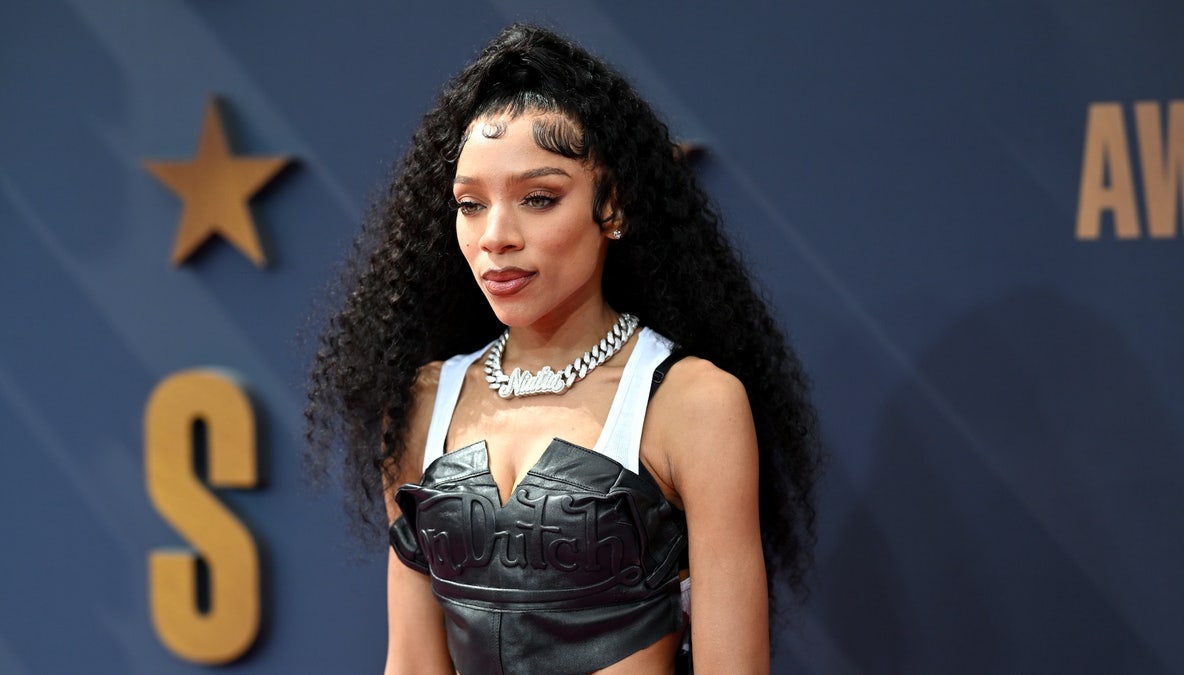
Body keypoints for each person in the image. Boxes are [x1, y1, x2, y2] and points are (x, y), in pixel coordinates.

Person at [306, 24, 821, 675]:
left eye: (538, 198)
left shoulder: (693, 403)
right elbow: (411, 662)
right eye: (470, 204)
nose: (496, 236)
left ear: (613, 206)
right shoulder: (421, 405)